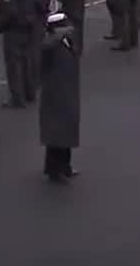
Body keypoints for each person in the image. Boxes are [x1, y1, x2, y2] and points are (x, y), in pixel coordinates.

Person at [39, 12, 82, 183]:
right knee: (56, 133)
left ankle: (65, 165)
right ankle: (53, 169)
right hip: (55, 94)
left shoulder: (67, 41)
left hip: (68, 92)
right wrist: (56, 36)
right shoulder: (51, 43)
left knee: (67, 132)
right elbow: (45, 46)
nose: (70, 29)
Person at [0, 0, 40, 108]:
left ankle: (17, 98)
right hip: (28, 28)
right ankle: (29, 92)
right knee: (26, 62)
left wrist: (0, 26)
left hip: (13, 30)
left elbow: (9, 14)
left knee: (14, 66)